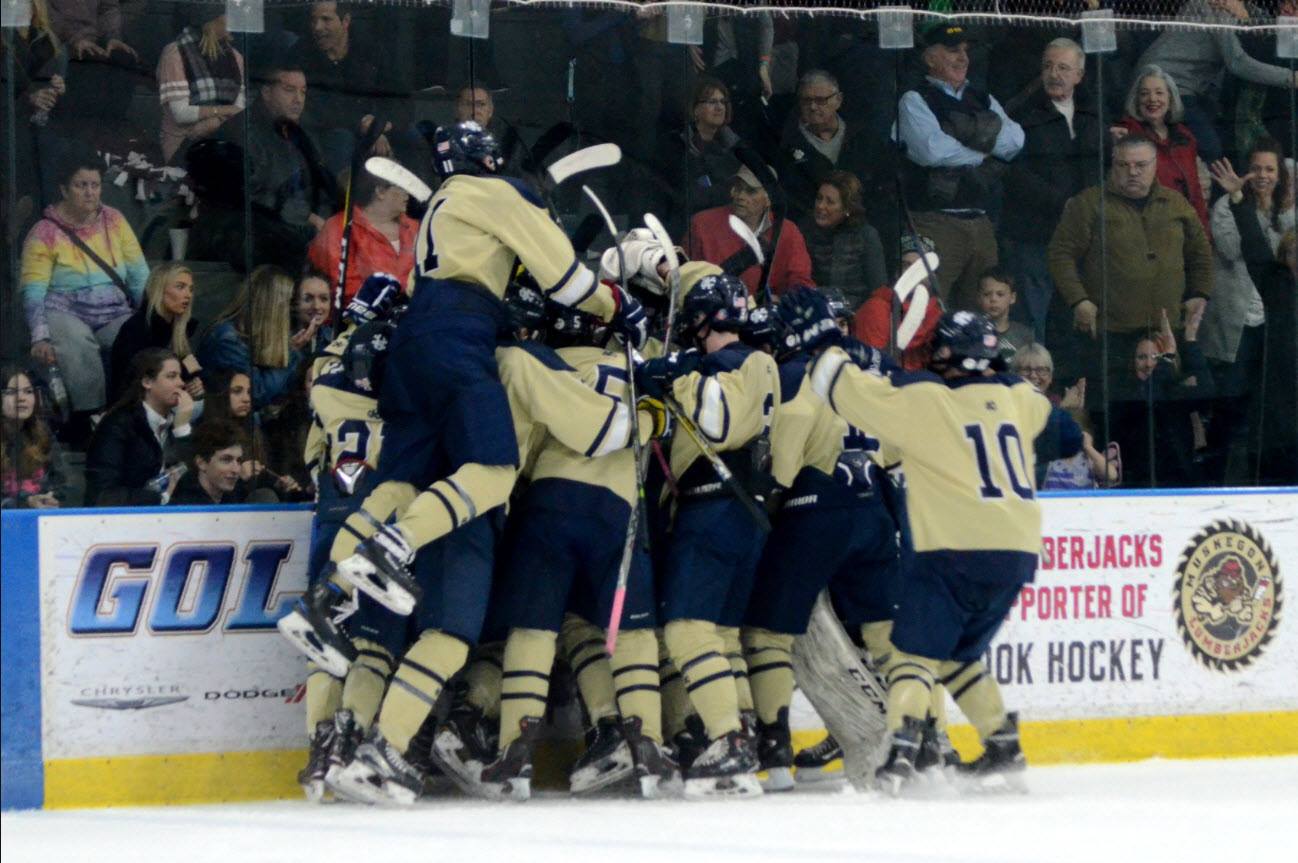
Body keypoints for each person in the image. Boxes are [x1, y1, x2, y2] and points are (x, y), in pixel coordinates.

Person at [286, 121, 647, 805]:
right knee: (491, 470)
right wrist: (616, 304)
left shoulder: (438, 215)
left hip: (418, 357)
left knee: (397, 481)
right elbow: (568, 279)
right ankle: (392, 551)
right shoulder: (492, 196)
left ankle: (332, 592)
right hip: (457, 350)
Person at [783, 294, 1051, 795]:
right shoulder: (1020, 402)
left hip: (954, 545)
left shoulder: (929, 403)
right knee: (958, 654)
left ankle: (904, 747)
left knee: (911, 651)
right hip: (1018, 553)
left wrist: (829, 341)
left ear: (944, 358)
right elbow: (1030, 399)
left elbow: (836, 385)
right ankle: (1002, 744)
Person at [741, 303, 905, 792]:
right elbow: (894, 453)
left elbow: (782, 471)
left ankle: (773, 754)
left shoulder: (796, 376)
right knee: (885, 633)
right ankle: (921, 736)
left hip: (814, 513)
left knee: (769, 631)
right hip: (873, 513)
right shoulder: (867, 374)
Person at [632, 272, 781, 799]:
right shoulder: (760, 362)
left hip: (714, 507)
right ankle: (742, 734)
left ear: (701, 319)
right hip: (747, 512)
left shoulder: (729, 364)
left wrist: (675, 377)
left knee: (687, 632)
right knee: (720, 635)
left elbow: (718, 424)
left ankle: (729, 739)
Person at [1047, 134, 1213, 399]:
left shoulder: (1176, 203)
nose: (1132, 172)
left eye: (1141, 165)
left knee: (1167, 413)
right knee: (1116, 415)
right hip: (1111, 333)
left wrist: (1199, 294)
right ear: (1113, 165)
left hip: (1166, 332)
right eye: (1123, 165)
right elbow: (1060, 255)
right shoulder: (1089, 203)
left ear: (1155, 164)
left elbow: (1201, 253)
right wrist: (1078, 300)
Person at [896, 24, 1024, 311]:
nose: (963, 57)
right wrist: (983, 152)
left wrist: (960, 139)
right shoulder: (914, 99)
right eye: (953, 50)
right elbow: (932, 151)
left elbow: (1015, 141)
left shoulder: (982, 98)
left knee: (979, 316)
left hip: (981, 221)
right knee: (926, 309)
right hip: (934, 222)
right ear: (930, 58)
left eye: (965, 51)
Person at [20, 152, 148, 432]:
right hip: (65, 311)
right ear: (64, 189)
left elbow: (139, 274)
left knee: (137, 338)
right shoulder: (43, 232)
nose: (90, 193)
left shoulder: (114, 219)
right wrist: (39, 337)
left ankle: (132, 418)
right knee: (77, 345)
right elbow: (33, 293)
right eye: (81, 185)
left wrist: (149, 315)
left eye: (95, 185)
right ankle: (89, 420)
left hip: (114, 311)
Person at [1201, 140, 1295, 484]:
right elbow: (1245, 251)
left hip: (1278, 341)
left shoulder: (1288, 208)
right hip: (1240, 323)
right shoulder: (1229, 204)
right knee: (1236, 405)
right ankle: (1220, 481)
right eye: (1257, 168)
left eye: (1271, 169)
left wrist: (1281, 208)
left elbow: (1283, 244)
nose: (1263, 175)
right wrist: (1243, 204)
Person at [1002, 38, 1103, 342]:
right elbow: (1014, 173)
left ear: (1079, 76)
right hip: (1035, 234)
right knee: (1034, 317)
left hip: (1082, 235)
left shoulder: (1092, 114)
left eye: (1063, 67)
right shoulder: (1021, 113)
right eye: (1048, 66)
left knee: (1077, 314)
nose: (1054, 74)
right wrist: (1064, 202)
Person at [1136, 0, 1298, 164]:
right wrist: (1291, 78)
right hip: (1168, 83)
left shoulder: (1245, 8)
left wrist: (1246, 19)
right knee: (1211, 149)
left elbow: (1264, 28)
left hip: (1194, 89)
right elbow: (1237, 62)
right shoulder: (1216, 5)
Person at [1109, 307, 1214, 488]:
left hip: (1179, 485)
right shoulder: (1124, 394)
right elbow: (1149, 400)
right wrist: (1166, 360)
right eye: (1142, 357)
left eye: (1156, 357)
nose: (1149, 364)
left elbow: (1207, 392)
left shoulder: (1175, 392)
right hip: (1136, 487)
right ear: (1132, 362)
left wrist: (1189, 341)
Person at [85, 348, 195, 506]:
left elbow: (192, 482)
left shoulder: (178, 422)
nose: (181, 383)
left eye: (180, 376)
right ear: (147, 382)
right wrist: (160, 499)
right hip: (123, 522)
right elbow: (103, 494)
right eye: (171, 376)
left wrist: (183, 429)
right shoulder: (117, 425)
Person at [686, 165, 814, 299]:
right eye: (738, 188)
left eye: (750, 191)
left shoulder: (788, 232)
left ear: (769, 198)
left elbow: (801, 282)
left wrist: (782, 302)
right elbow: (686, 277)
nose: (740, 196)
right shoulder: (702, 224)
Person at [1111, 65, 1211, 236]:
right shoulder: (1126, 134)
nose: (1152, 99)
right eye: (1144, 93)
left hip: (1183, 230)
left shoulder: (1185, 137)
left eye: (1159, 93)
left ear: (1170, 98)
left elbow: (1195, 192)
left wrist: (1203, 236)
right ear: (1136, 100)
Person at [198, 265, 310, 411]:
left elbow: (285, 391)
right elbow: (256, 393)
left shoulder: (260, 337)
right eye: (288, 304)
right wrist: (292, 352)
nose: (291, 311)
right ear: (273, 307)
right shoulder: (226, 339)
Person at [777, 70, 877, 225]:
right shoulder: (785, 144)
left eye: (821, 100)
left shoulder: (864, 137)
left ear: (838, 99)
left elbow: (882, 191)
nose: (813, 107)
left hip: (863, 229)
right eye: (806, 100)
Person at [307, 168, 417, 307]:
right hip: (356, 323)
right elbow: (344, 287)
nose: (407, 192)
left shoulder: (416, 228)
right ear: (380, 192)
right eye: (401, 186)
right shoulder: (339, 228)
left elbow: (432, 271)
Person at [655, 77, 744, 235]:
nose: (719, 107)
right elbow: (690, 197)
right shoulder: (676, 145)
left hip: (730, 227)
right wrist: (726, 190)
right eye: (711, 102)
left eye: (722, 102)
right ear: (695, 109)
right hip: (686, 229)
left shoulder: (735, 146)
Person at [156, 7, 244, 163]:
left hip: (222, 142)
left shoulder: (236, 58)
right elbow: (181, 113)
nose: (235, 20)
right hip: (182, 148)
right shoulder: (175, 54)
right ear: (211, 19)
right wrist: (223, 111)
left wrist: (216, 123)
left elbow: (239, 110)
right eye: (228, 14)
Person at [109, 262, 203, 403]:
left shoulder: (180, 329)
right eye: (180, 287)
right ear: (159, 289)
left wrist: (197, 381)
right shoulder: (137, 329)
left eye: (191, 289)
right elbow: (130, 382)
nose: (188, 295)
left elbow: (188, 360)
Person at [853, 234, 944, 371]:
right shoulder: (876, 309)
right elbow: (874, 367)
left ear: (934, 276)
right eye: (907, 265)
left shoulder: (938, 312)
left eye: (922, 267)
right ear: (897, 272)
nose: (914, 274)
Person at [798, 171, 887, 312]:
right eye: (819, 198)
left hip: (856, 314)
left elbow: (879, 290)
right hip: (814, 311)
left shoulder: (866, 236)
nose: (821, 206)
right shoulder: (804, 230)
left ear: (847, 208)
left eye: (830, 202)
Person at [1, 364, 66, 509]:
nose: (22, 398)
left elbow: (61, 486)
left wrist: (51, 498)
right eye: (11, 392)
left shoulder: (44, 434)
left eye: (28, 391)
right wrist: (24, 504)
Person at [168, 419, 246, 505]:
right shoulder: (184, 507)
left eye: (239, 461)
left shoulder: (235, 498)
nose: (236, 470)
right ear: (201, 463)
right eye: (226, 460)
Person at [975, 268, 1034, 363]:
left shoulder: (1024, 335)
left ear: (1012, 297)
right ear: (979, 298)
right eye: (986, 294)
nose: (993, 299)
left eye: (1000, 294)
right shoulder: (972, 333)